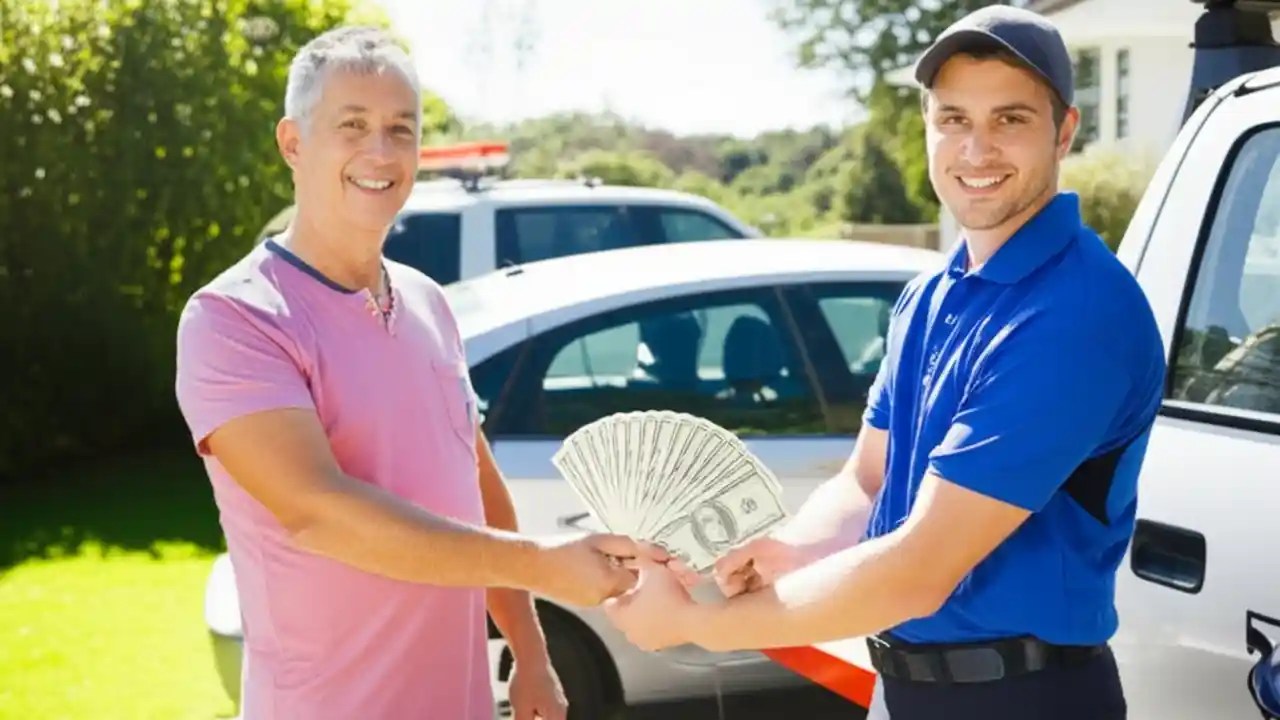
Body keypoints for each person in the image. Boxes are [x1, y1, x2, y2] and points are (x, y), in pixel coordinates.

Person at [603, 7, 1167, 720]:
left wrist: (694, 625)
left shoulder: (1074, 314)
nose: (976, 149)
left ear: (1064, 132)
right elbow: (869, 480)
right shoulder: (929, 297)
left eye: (1010, 120)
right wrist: (786, 549)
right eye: (954, 119)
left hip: (1024, 698)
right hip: (904, 691)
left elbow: (917, 574)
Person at [174, 26, 640, 720]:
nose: (381, 151)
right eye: (352, 125)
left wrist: (532, 652)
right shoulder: (233, 319)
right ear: (293, 143)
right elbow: (318, 513)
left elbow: (476, 484)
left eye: (401, 128)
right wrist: (543, 563)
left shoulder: (428, 301)